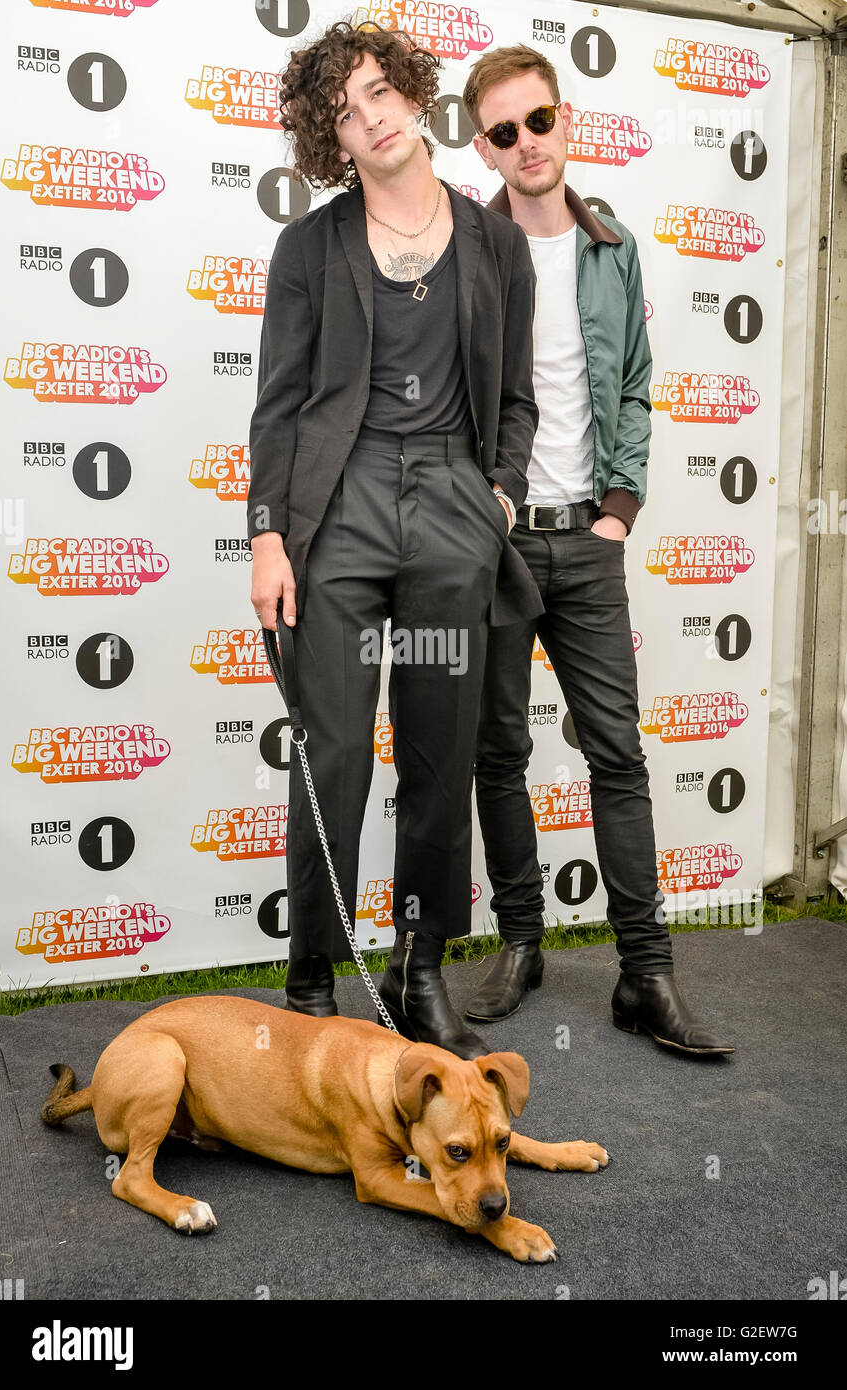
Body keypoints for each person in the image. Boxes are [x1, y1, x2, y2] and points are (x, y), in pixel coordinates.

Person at [247, 21, 543, 1059]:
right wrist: (267, 535)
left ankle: (421, 971)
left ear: (414, 95)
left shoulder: (495, 242)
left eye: (378, 91)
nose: (368, 117)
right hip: (340, 507)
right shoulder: (310, 246)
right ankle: (313, 980)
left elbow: (516, 396)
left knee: (436, 749)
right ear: (329, 138)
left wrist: (496, 496)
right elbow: (278, 406)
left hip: (452, 509)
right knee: (331, 750)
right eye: (343, 110)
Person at [461, 45, 734, 1055]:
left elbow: (629, 384)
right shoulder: (462, 249)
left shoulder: (611, 245)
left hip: (586, 537)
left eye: (537, 122)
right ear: (482, 145)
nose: (524, 144)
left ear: (563, 123)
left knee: (615, 754)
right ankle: (522, 940)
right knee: (499, 751)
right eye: (502, 132)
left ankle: (645, 975)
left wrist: (618, 506)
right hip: (491, 547)